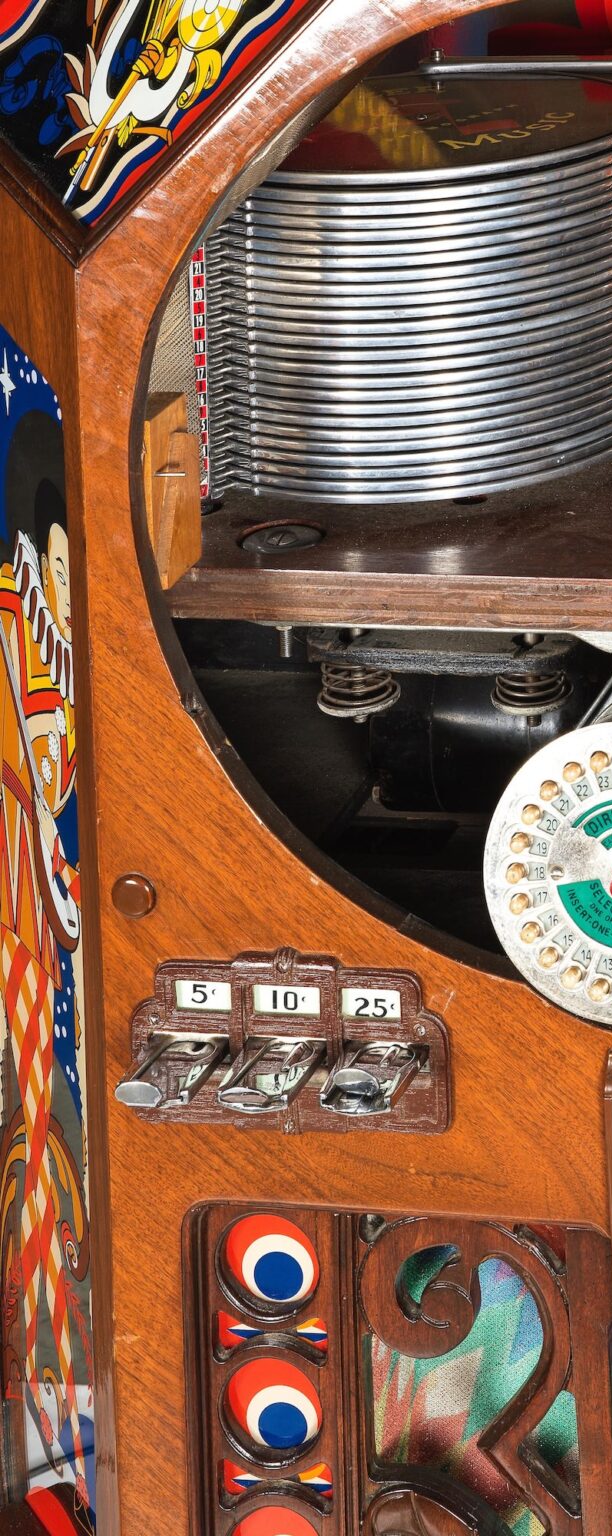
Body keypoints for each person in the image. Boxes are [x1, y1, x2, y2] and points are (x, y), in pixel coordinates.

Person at [0, 454, 86, 1506]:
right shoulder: (25, 625)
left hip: (38, 902)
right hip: (29, 903)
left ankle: (58, 1419)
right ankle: (55, 1424)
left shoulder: (38, 628)